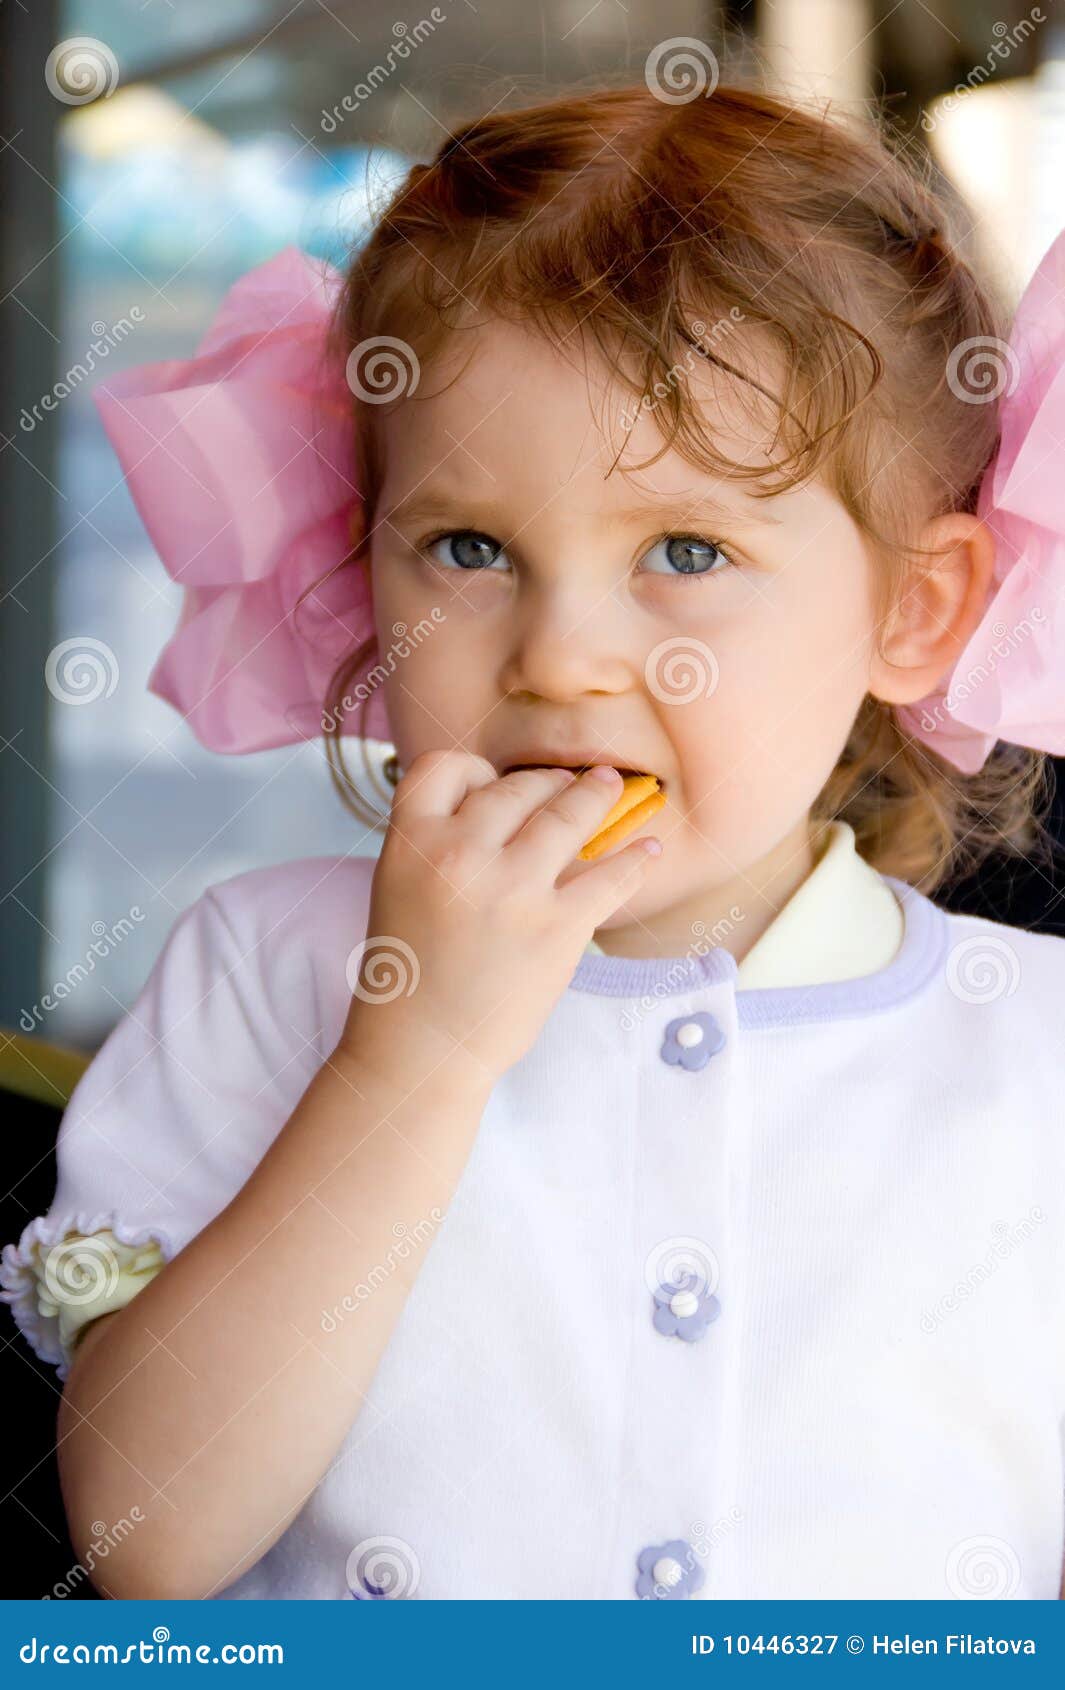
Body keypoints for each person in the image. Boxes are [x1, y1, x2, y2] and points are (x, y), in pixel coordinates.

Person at [3, 80, 1065, 1602]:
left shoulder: (1033, 1052)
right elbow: (147, 1541)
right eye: (470, 548)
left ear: (913, 608)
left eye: (686, 551)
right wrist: (411, 1057)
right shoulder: (266, 972)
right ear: (358, 572)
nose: (561, 655)